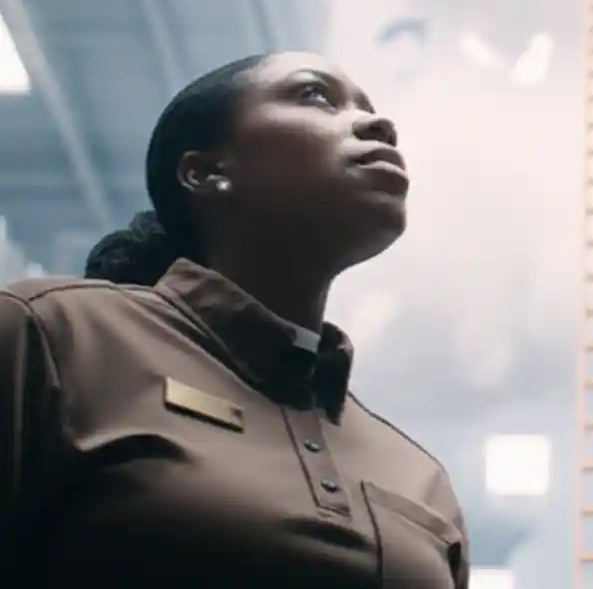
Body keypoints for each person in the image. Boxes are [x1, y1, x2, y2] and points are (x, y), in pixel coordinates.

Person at [0, 52, 469, 587]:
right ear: (206, 171)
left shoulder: (420, 478)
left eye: (370, 108)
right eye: (315, 96)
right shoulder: (54, 336)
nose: (379, 123)